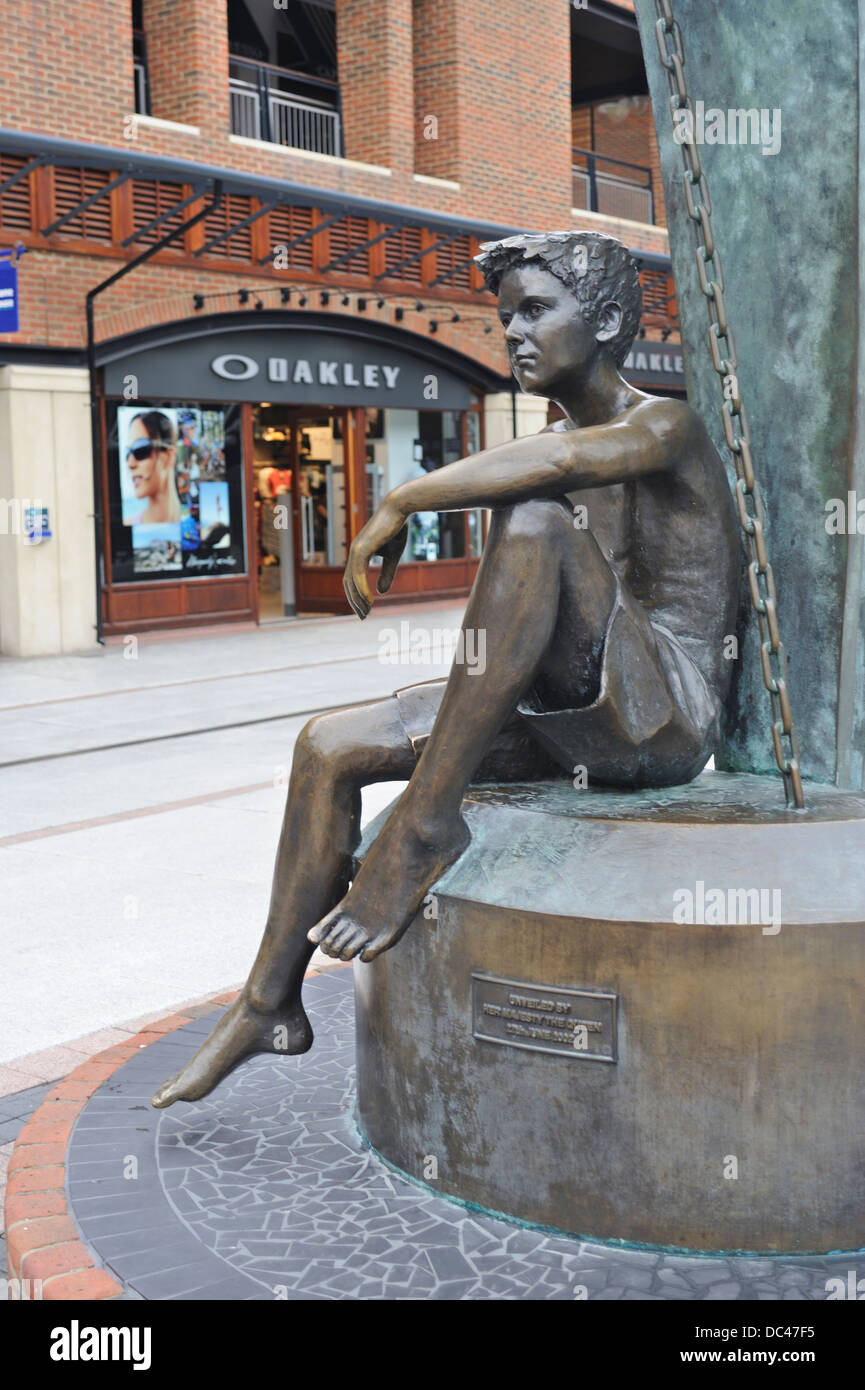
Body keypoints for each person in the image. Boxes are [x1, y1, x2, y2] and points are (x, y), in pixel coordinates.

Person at [152, 230, 740, 1108]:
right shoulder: (548, 437)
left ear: (609, 319)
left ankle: (425, 825)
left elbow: (566, 464)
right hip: (567, 712)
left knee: (534, 517)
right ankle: (268, 999)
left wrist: (399, 497)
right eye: (505, 317)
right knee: (328, 746)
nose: (513, 333)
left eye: (536, 310)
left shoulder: (663, 424)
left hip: (660, 722)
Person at [124, 411, 181, 527]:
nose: (130, 464)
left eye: (140, 449)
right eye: (127, 452)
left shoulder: (195, 525)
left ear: (169, 457)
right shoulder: (128, 524)